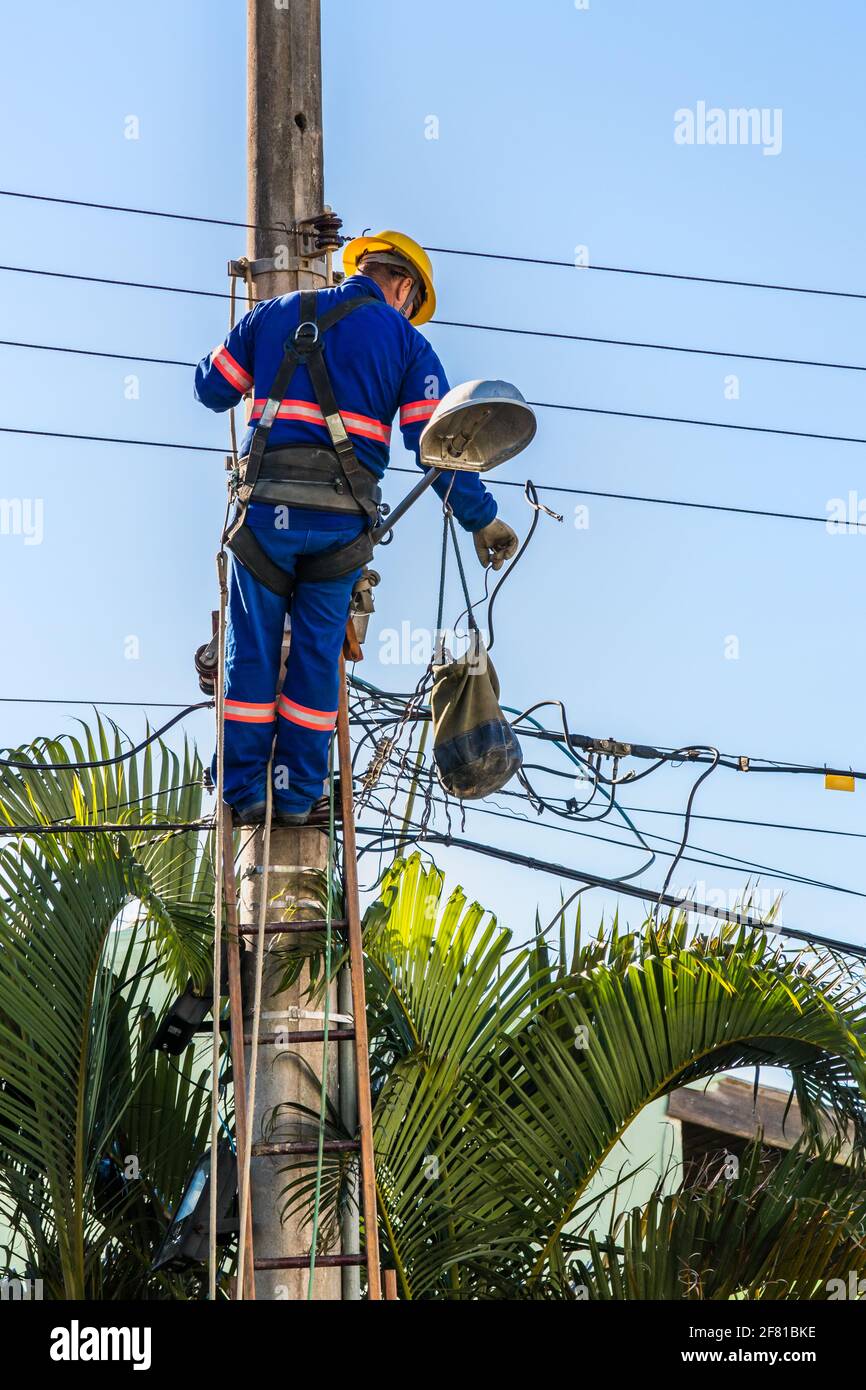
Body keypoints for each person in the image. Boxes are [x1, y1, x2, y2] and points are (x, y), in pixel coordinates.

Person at [194, 230, 518, 825]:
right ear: (402, 286)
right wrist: (483, 519)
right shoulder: (409, 346)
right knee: (317, 658)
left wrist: (255, 340)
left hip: (266, 517)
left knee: (251, 655)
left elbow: (211, 389)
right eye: (409, 301)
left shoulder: (273, 314)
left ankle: (245, 792)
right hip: (341, 529)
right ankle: (295, 798)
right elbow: (437, 451)